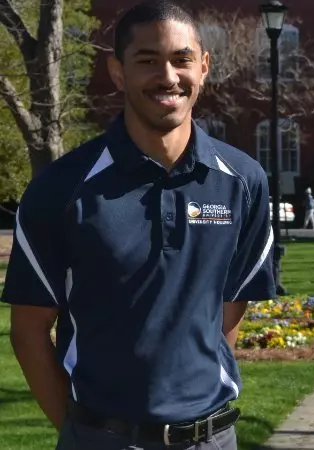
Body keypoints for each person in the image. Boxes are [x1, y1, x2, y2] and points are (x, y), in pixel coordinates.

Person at [1, 1, 276, 449]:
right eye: (147, 60)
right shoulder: (61, 188)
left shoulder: (243, 182)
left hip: (212, 439)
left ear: (204, 67)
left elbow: (228, 310)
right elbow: (29, 331)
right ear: (117, 71)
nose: (168, 77)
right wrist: (80, 432)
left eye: (182, 60)